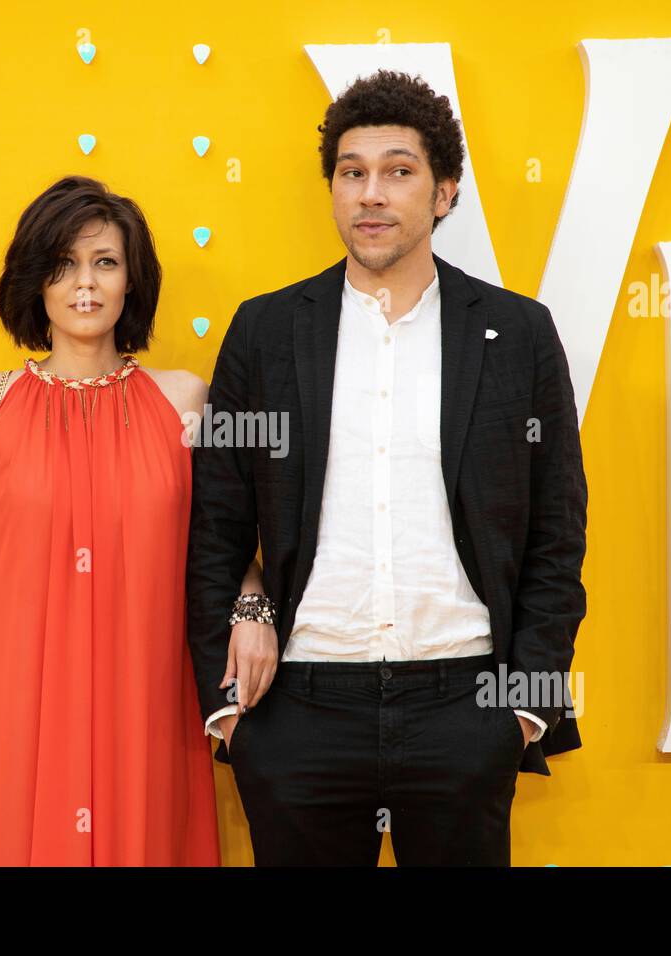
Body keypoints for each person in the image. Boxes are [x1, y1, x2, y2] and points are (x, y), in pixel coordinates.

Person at [186, 70, 589, 866]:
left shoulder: (520, 334)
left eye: (399, 171)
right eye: (352, 172)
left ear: (443, 193)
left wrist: (523, 714)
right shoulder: (263, 332)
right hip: (295, 712)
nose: (372, 193)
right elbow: (217, 524)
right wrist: (231, 712)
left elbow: (557, 533)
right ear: (333, 189)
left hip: (466, 706)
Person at [0, 174, 230, 865]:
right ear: (34, 281)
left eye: (105, 263)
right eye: (64, 264)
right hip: (4, 715)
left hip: (146, 716)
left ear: (133, 282)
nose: (86, 283)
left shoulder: (185, 403)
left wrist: (253, 599)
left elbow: (221, 552)